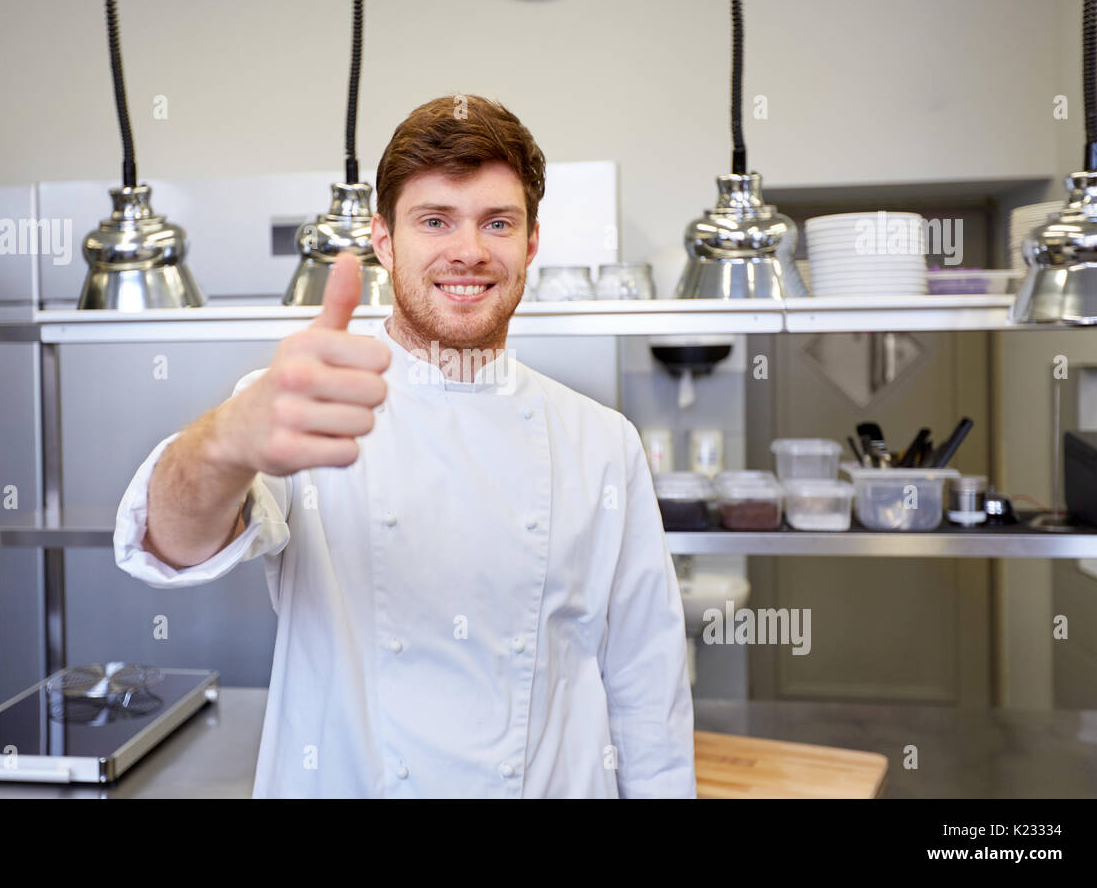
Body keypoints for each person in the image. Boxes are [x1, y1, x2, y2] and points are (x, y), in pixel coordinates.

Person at [113, 94, 695, 798]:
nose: (469, 250)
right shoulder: (304, 406)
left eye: (498, 222)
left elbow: (646, 684)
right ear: (384, 240)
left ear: (532, 243)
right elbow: (170, 544)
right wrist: (224, 443)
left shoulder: (602, 442)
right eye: (435, 221)